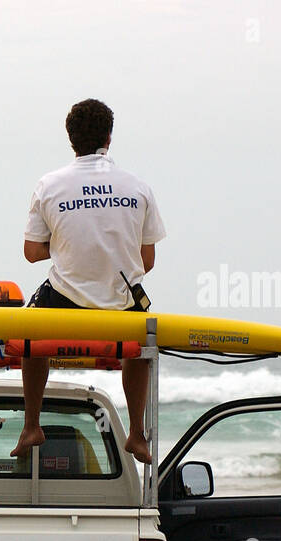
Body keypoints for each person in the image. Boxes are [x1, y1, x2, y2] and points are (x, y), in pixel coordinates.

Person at [12, 98, 165, 464]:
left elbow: (31, 253)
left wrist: (68, 245)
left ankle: (32, 423)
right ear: (109, 137)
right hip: (121, 304)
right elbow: (147, 261)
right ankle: (137, 433)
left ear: (71, 140)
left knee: (30, 333)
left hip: (65, 300)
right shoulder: (138, 187)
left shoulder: (50, 184)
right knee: (143, 340)